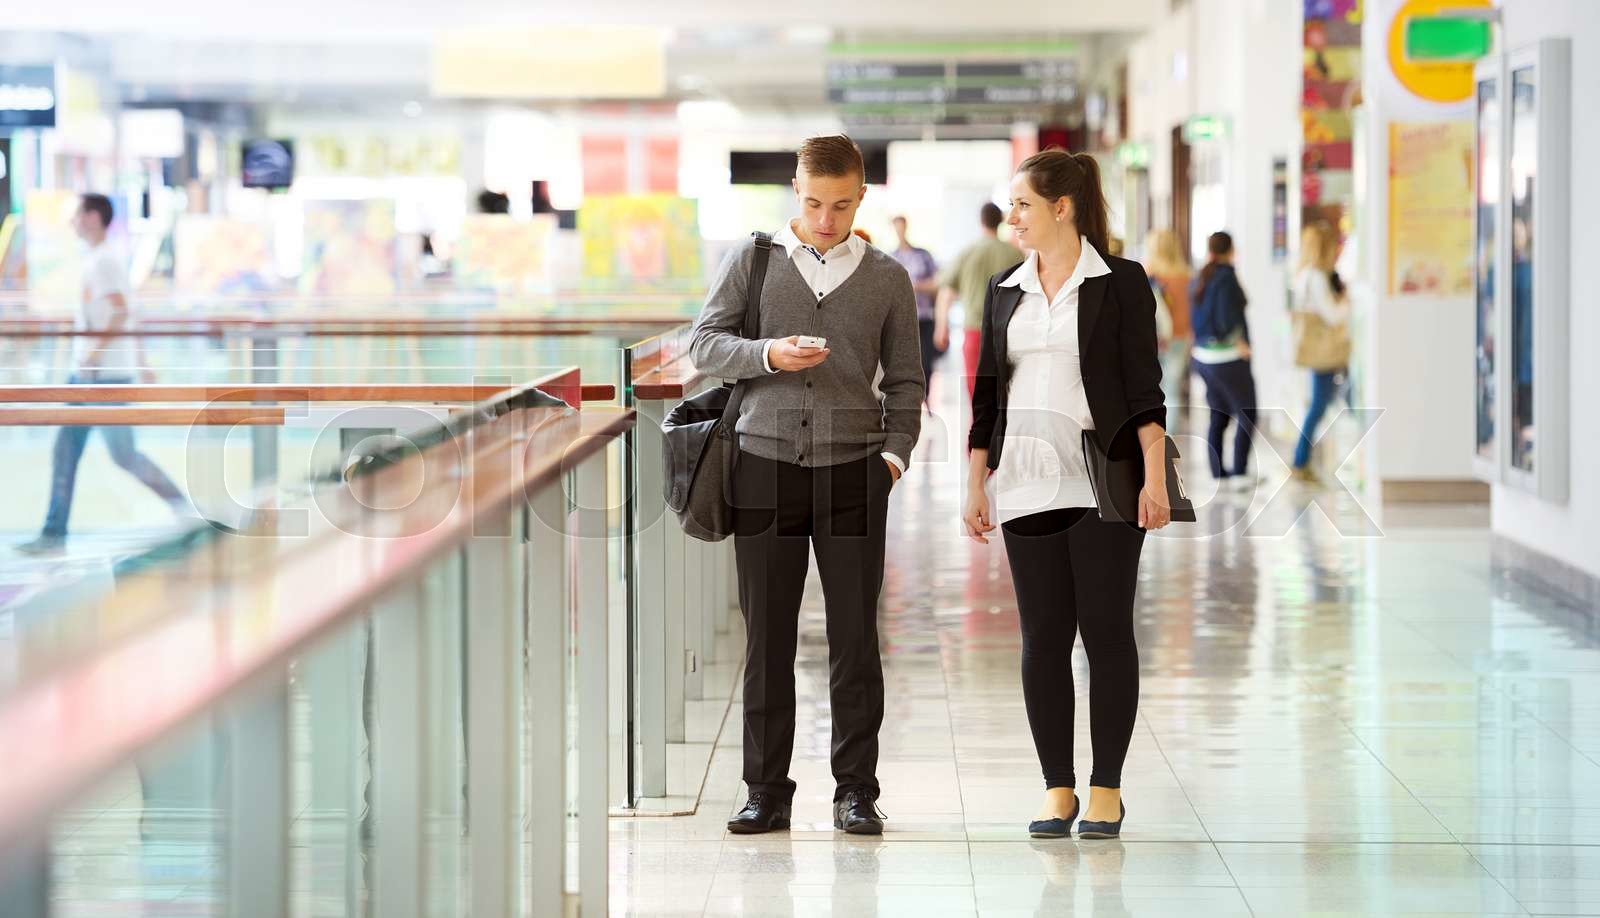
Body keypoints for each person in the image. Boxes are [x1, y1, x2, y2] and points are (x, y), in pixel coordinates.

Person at [688, 134, 924, 837]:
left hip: (855, 471)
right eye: (816, 203)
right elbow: (703, 345)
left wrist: (894, 459)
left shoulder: (886, 277)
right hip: (762, 465)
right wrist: (767, 354)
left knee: (855, 637)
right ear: (797, 190)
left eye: (842, 204)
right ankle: (765, 789)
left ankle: (856, 789)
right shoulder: (754, 260)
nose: (827, 219)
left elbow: (908, 380)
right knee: (767, 637)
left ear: (861, 197)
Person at [962, 148, 1171, 841]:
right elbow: (988, 393)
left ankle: (1106, 787)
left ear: (1062, 207)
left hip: (1102, 476)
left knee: (1106, 632)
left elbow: (1145, 390)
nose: (1012, 215)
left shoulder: (1122, 283)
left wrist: (1156, 477)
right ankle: (1057, 788)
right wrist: (975, 481)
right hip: (1024, 479)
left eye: (1023, 204)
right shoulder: (1004, 290)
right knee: (1043, 638)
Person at [16, 194, 186, 557]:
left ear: (93, 217)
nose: (72, 222)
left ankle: (185, 510)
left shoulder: (105, 261)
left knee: (123, 456)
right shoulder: (98, 259)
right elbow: (129, 312)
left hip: (103, 376)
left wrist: (95, 353)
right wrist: (137, 361)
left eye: (77, 214)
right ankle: (53, 534)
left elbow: (122, 312)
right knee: (67, 449)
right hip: (91, 375)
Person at [934, 203, 1025, 401]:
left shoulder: (968, 252)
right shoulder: (1014, 254)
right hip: (1007, 333)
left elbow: (946, 292)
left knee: (976, 391)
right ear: (1000, 221)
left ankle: (979, 430)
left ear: (981, 221)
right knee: (1004, 391)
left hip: (974, 331)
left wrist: (942, 327)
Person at [1189, 231, 1257, 490]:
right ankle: (1239, 471)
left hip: (1203, 358)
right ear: (1230, 249)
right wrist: (1238, 342)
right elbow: (1226, 318)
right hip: (1227, 358)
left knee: (1218, 415)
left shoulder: (1201, 276)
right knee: (1247, 413)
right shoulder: (1226, 276)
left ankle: (1217, 472)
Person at [1289, 222, 1351, 483]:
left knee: (1319, 403)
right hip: (1324, 351)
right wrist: (1348, 301)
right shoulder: (1316, 277)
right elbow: (1333, 315)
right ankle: (1300, 459)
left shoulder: (1303, 275)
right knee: (1319, 404)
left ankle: (1303, 459)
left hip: (1315, 349)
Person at [890, 215, 942, 404]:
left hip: (924, 317)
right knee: (903, 363)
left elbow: (938, 283)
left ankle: (925, 399)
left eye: (902, 227)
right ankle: (907, 400)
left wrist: (916, 286)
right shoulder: (890, 257)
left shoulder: (923, 255)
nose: (899, 231)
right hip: (901, 320)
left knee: (926, 362)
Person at [1144, 229, 1193, 412]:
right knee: (1171, 392)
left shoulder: (1145, 276)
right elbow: (1189, 313)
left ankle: (1150, 437)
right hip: (1178, 338)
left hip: (1151, 339)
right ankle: (1167, 437)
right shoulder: (1187, 277)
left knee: (1147, 393)